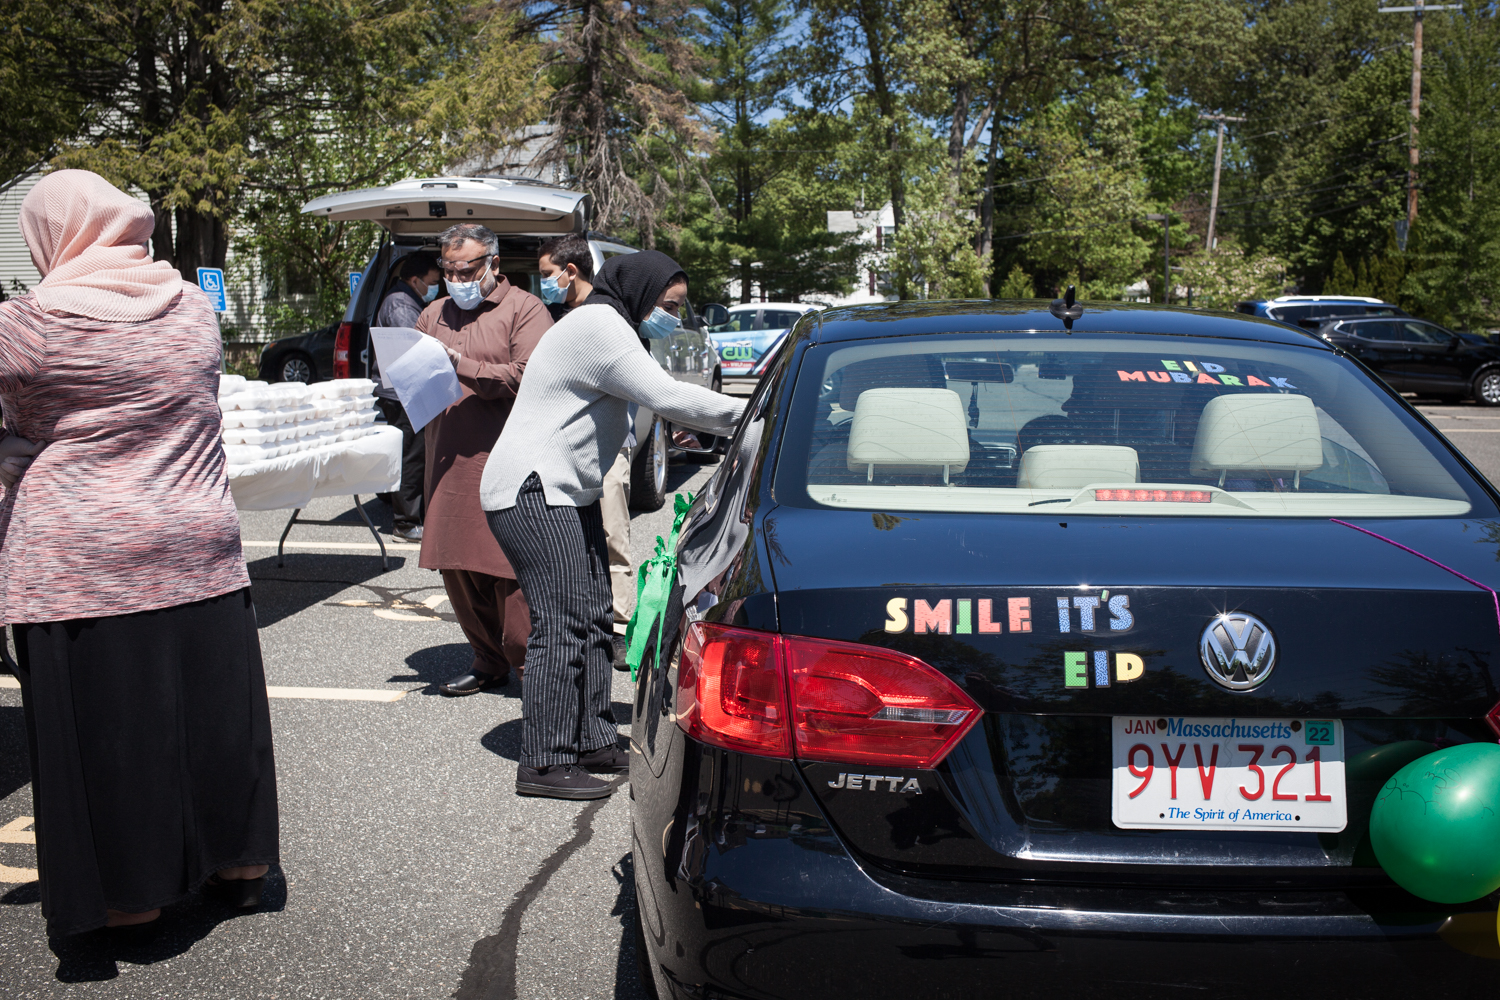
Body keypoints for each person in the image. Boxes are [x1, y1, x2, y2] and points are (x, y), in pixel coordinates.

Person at [0, 170, 279, 936]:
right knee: (216, 718)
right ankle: (240, 865)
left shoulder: (26, 325)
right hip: (199, 542)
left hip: (82, 557)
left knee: (111, 734)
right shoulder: (192, 308)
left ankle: (131, 895)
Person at [482, 250, 745, 799]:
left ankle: (593, 739)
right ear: (639, 291)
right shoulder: (600, 326)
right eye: (668, 304)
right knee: (562, 622)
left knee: (593, 615)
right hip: (534, 489)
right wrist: (756, 413)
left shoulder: (612, 325)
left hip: (563, 490)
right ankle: (545, 762)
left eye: (679, 306)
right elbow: (667, 396)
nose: (673, 316)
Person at [418, 223, 553, 696]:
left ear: (494, 263)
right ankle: (486, 659)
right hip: (448, 458)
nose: (456, 279)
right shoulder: (434, 313)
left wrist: (461, 364)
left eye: (467, 270)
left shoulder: (525, 309)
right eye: (448, 270)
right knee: (456, 563)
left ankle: (532, 666)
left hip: (507, 459)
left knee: (509, 566)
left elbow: (527, 377)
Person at [537, 235, 633, 666]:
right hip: (562, 447)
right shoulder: (550, 317)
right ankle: (582, 621)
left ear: (570, 271)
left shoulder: (610, 313)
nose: (544, 283)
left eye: (546, 274)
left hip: (607, 444)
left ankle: (619, 626)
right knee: (571, 539)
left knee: (612, 534)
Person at [373, 253, 442, 542]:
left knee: (415, 453)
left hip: (405, 389)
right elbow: (414, 345)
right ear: (415, 280)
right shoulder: (401, 304)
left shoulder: (408, 299)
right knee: (411, 457)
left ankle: (413, 514)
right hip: (402, 392)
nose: (436, 287)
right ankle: (406, 523)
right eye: (433, 282)